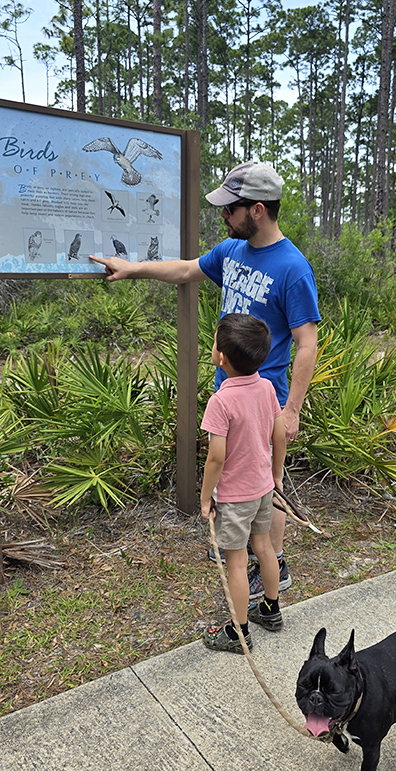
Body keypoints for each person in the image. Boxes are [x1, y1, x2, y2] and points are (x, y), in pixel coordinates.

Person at [90, 160, 320, 599]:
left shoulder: (292, 267)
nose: (222, 217)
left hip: (267, 398)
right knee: (238, 476)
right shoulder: (232, 252)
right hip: (229, 390)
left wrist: (292, 411)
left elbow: (306, 343)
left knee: (268, 481)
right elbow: (186, 269)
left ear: (256, 210)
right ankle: (245, 548)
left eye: (228, 209)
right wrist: (132, 268)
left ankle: (274, 563)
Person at [199, 313, 285, 653]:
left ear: (221, 357)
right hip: (264, 489)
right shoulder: (266, 387)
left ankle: (237, 632)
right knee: (264, 548)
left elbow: (216, 458)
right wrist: (276, 475)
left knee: (236, 561)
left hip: (235, 498)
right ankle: (271, 609)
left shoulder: (220, 402)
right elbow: (279, 435)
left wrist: (206, 497)